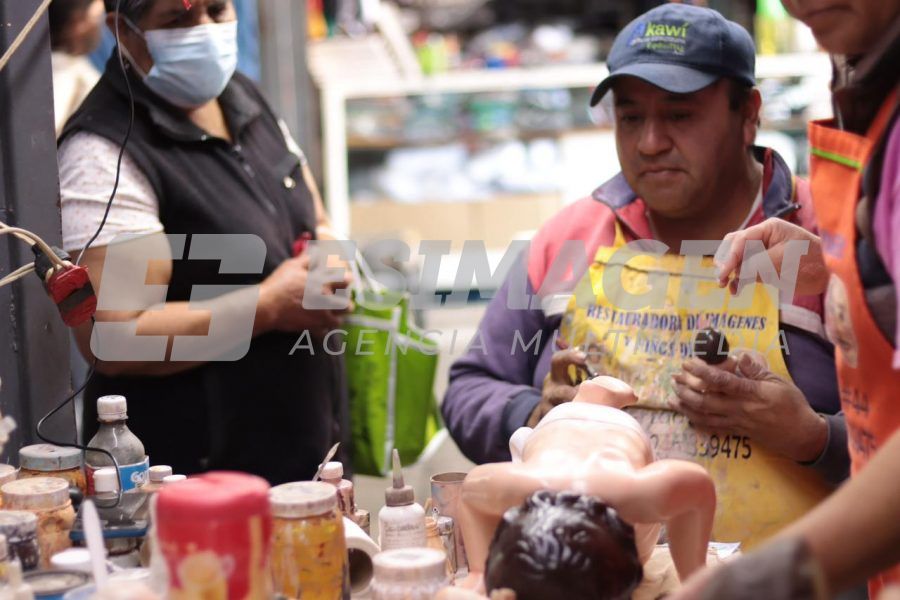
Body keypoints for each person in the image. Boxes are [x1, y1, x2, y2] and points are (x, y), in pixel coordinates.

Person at [443, 3, 847, 548]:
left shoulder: (829, 239)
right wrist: (535, 416)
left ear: (748, 114)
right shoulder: (571, 238)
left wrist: (815, 438)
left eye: (680, 115)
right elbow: (469, 387)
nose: (650, 142)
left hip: (794, 575)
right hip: (595, 572)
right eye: (631, 118)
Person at [58, 0, 351, 484]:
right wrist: (268, 306)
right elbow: (114, 337)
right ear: (124, 31)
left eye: (217, 10)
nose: (205, 30)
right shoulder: (104, 152)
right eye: (177, 18)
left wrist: (330, 266)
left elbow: (314, 216)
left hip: (303, 456)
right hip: (192, 481)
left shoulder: (243, 98)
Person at [674, 0, 900, 597]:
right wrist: (842, 271)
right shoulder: (870, 89)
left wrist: (758, 579)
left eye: (681, 115)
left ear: (748, 117)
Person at [457, 376, 715, 596]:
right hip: (553, 432)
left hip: (607, 431)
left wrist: (693, 578)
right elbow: (470, 493)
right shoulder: (521, 485)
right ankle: (597, 393)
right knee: (528, 441)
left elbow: (697, 487)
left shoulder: (634, 493)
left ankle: (600, 394)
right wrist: (479, 573)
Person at [49, 0, 105, 136]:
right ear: (77, 23)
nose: (99, 25)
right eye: (96, 17)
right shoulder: (62, 72)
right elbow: (44, 131)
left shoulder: (72, 64)